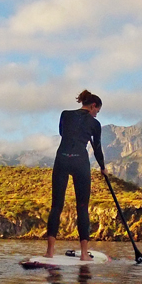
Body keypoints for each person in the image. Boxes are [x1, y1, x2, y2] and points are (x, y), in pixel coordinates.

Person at [45, 90, 105, 260]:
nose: (96, 114)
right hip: (80, 161)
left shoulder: (65, 114)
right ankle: (84, 254)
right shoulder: (95, 124)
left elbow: (63, 133)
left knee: (56, 206)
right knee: (82, 207)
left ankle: (49, 252)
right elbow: (98, 148)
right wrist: (103, 167)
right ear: (93, 106)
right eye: (97, 111)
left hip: (62, 158)